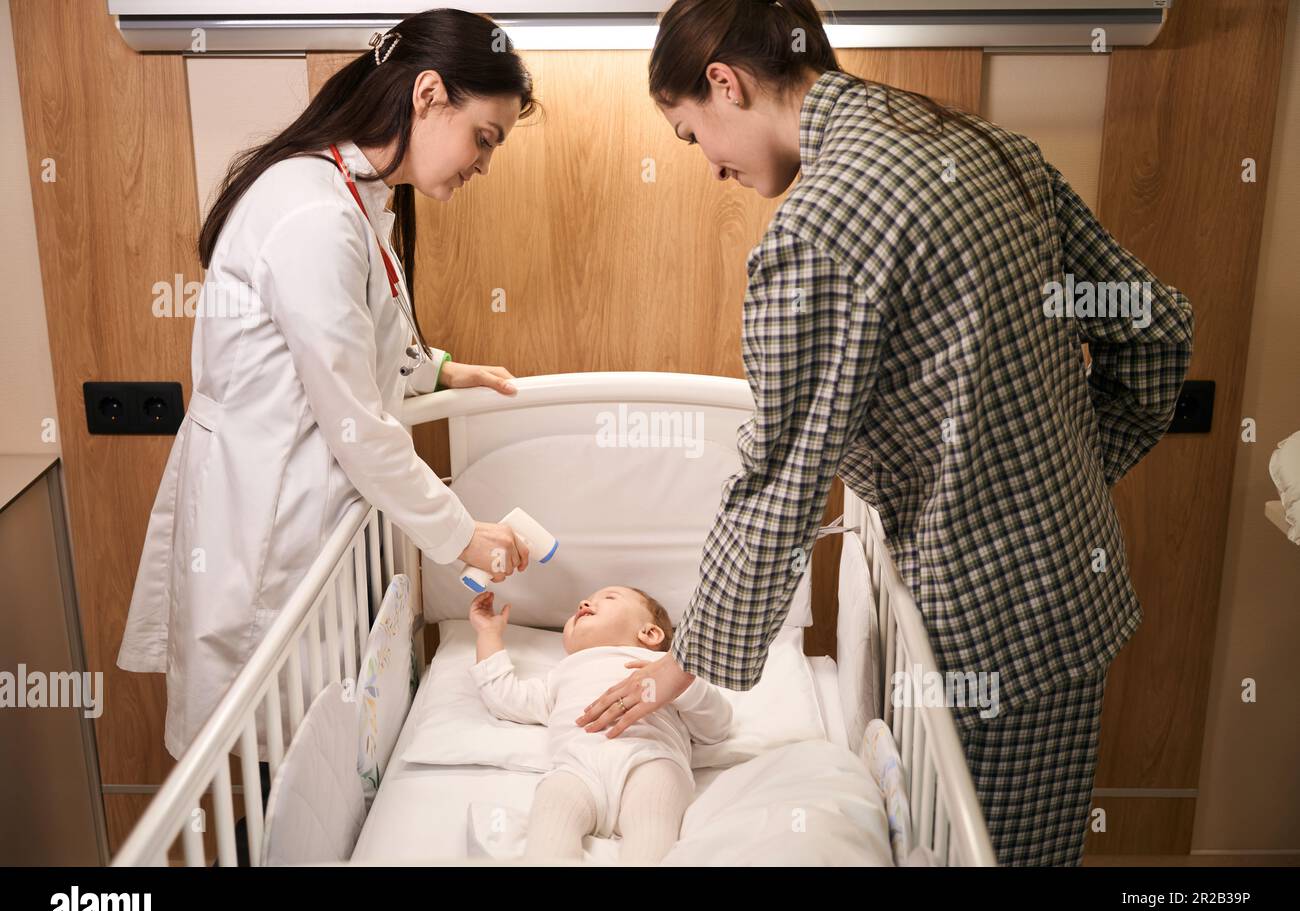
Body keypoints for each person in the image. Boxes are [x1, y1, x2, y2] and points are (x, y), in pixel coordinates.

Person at [578, 0, 1194, 866]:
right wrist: (1075, 474)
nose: (711, 167)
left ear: (725, 82)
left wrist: (688, 659)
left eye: (692, 137)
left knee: (983, 851)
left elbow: (783, 478)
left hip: (984, 630)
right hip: (1073, 599)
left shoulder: (820, 231)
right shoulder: (990, 148)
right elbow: (1157, 330)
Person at [118, 9, 538, 760]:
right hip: (266, 527)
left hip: (301, 513)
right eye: (485, 137)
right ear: (430, 94)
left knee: (301, 761)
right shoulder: (311, 209)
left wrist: (439, 369)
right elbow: (355, 422)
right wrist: (461, 535)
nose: (484, 164)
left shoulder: (352, 195)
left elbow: (353, 341)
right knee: (262, 765)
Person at [470, 587, 732, 863]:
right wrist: (488, 634)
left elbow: (715, 727)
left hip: (649, 759)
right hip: (577, 768)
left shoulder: (665, 668)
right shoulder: (561, 674)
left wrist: (683, 687)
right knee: (550, 818)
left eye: (608, 598)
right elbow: (506, 698)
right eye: (584, 601)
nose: (584, 602)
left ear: (650, 633)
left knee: (652, 826)